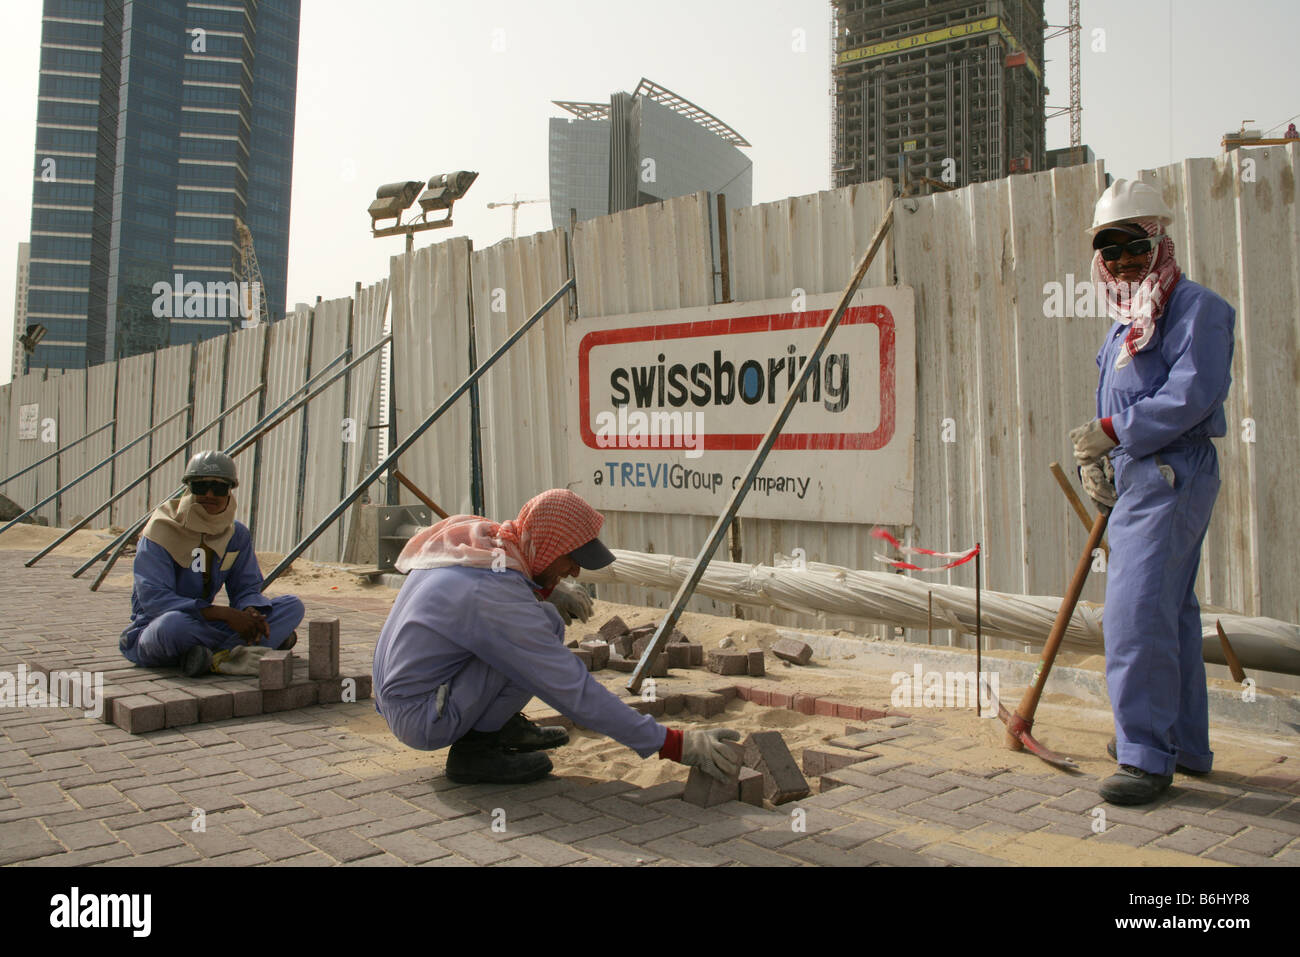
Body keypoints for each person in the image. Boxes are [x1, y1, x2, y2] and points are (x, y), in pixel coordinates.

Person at [372, 488, 740, 785]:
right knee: (531, 646)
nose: (576, 571)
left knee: (545, 618)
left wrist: (542, 586)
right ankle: (476, 753)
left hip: (409, 692)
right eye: (570, 558)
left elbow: (497, 599)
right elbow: (572, 689)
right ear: (546, 544)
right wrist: (674, 744)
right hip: (421, 716)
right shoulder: (489, 594)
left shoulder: (483, 543)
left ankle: (494, 727)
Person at [1069, 179, 1235, 805]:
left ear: (1160, 241)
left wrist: (1116, 432)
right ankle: (1182, 744)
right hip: (1139, 477)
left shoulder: (1197, 308)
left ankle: (1142, 755)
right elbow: (1111, 402)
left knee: (1135, 613)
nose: (1122, 262)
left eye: (1134, 247)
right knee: (1171, 614)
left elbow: (1192, 394)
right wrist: (1102, 464)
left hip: (1172, 474)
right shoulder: (1122, 328)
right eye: (1108, 251)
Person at [119, 451, 305, 677]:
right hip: (160, 625)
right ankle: (244, 648)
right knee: (173, 626)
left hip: (206, 625)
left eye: (218, 488)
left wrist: (249, 612)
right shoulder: (159, 531)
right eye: (200, 486)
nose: (209, 494)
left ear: (229, 491)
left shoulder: (236, 534)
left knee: (292, 606)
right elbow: (155, 600)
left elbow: (246, 587)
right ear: (188, 488)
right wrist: (224, 614)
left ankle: (213, 656)